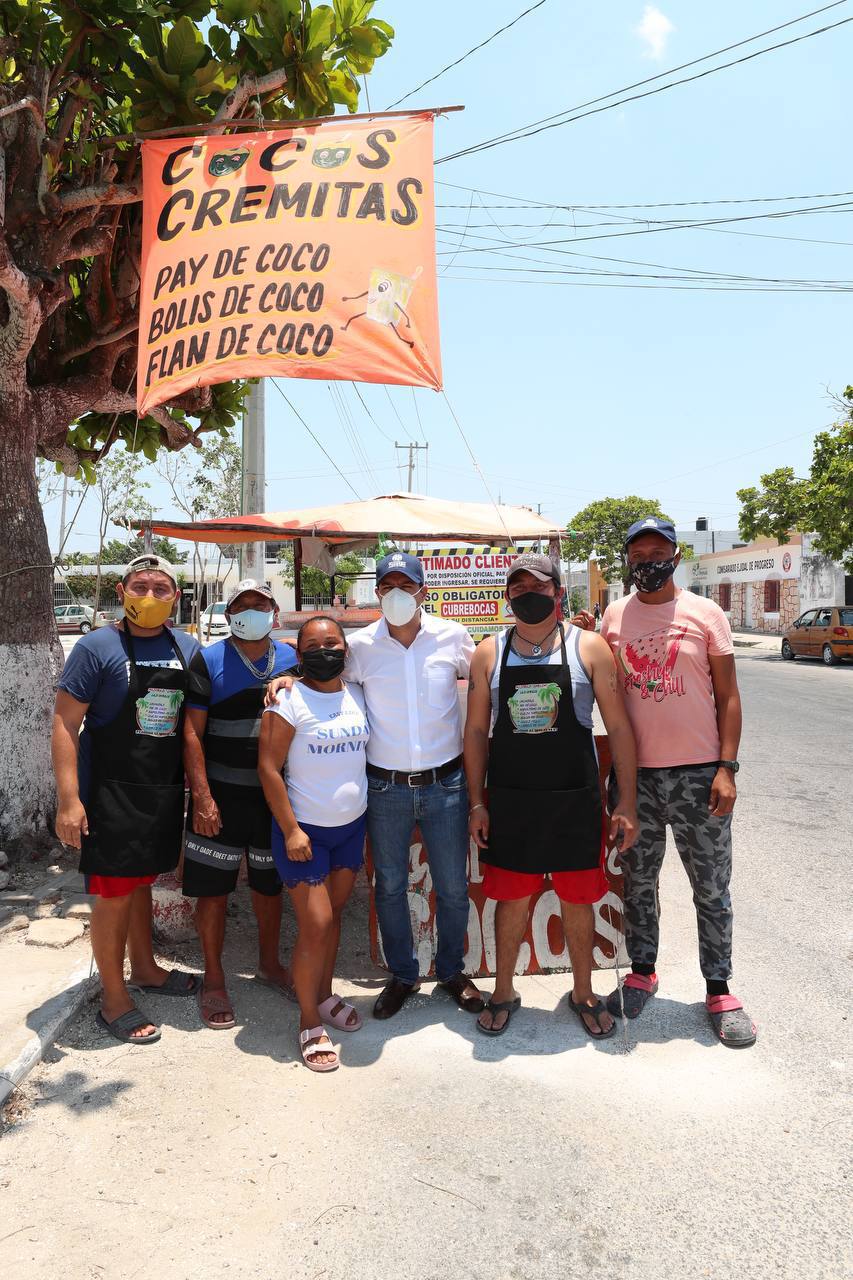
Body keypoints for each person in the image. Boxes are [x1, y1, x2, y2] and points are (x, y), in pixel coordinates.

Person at [596, 517, 756, 1048]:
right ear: (628, 561)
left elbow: (728, 696)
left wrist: (727, 768)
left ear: (675, 554)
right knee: (639, 881)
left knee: (710, 886)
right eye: (637, 553)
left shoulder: (706, 614)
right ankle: (642, 971)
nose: (647, 560)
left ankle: (719, 988)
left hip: (699, 775)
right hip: (635, 777)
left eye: (656, 550)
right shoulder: (614, 617)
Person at [465, 553, 638, 1037]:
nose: (527, 596)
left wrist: (626, 801)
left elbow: (620, 728)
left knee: (577, 899)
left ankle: (583, 991)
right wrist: (477, 802)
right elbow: (477, 731)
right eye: (517, 588)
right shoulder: (488, 652)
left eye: (537, 588)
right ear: (507, 596)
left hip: (574, 801)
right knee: (511, 900)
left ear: (558, 593)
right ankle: (503, 989)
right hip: (512, 802)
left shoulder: (591, 648)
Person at [52, 555, 201, 1045]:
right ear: (121, 591)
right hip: (109, 794)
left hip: (159, 790)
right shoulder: (96, 648)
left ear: (176, 597)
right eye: (141, 586)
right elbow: (64, 723)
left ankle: (146, 969)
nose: (151, 597)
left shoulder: (187, 646)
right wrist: (69, 800)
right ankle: (114, 999)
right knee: (112, 896)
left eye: (162, 589)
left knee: (140, 884)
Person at [181, 579, 299, 1030]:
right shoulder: (207, 660)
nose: (251, 611)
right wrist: (203, 797)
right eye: (242, 605)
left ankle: (270, 964)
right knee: (212, 891)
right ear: (230, 613)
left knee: (270, 889)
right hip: (221, 799)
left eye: (260, 604)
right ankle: (214, 978)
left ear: (274, 610)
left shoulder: (293, 657)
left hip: (277, 801)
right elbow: (191, 732)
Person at [258, 617, 369, 1072]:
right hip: (303, 833)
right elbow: (268, 769)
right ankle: (308, 1020)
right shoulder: (286, 700)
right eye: (313, 644)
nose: (326, 650)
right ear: (297, 653)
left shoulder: (357, 693)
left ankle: (323, 995)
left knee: (334, 916)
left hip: (351, 828)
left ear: (346, 648)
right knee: (316, 924)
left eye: (333, 642)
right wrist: (290, 831)